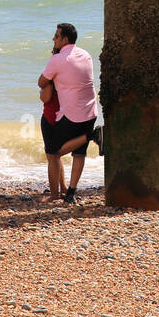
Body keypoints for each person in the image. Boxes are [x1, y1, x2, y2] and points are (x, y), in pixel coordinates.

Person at [38, 24, 101, 204]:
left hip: (72, 115)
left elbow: (41, 81)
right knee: (79, 154)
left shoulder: (58, 59)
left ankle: (54, 194)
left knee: (54, 153)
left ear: (65, 39)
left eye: (56, 36)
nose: (54, 39)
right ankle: (70, 193)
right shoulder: (86, 55)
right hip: (90, 111)